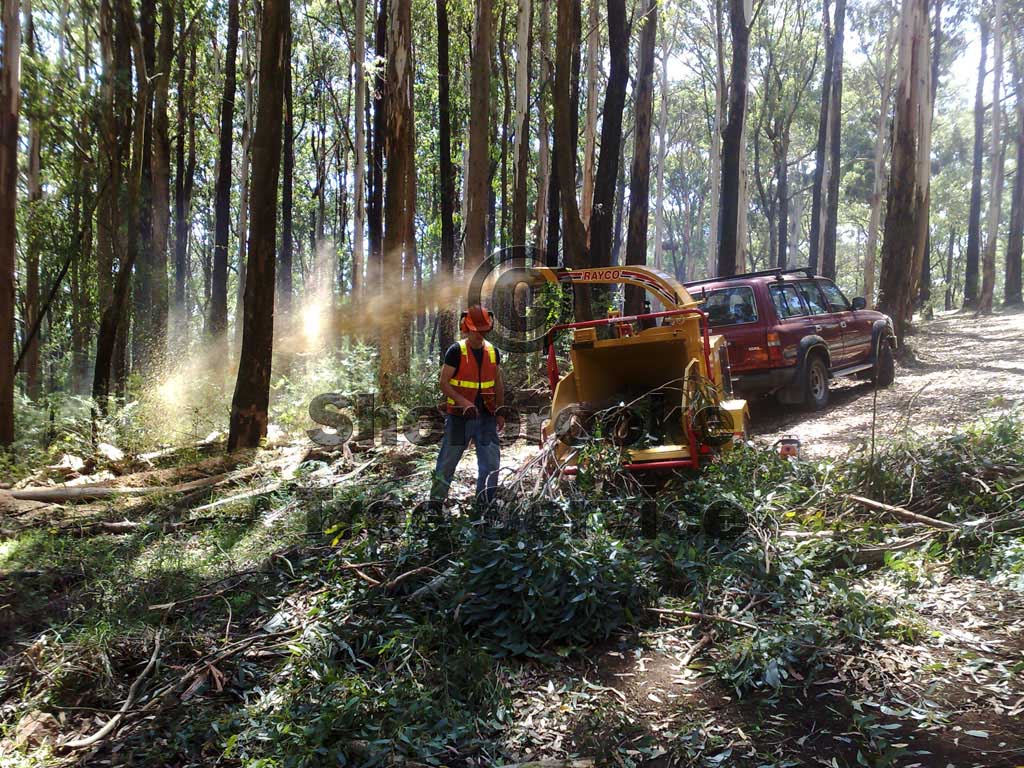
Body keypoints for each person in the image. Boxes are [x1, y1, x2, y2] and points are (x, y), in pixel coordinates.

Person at [429, 305, 506, 505]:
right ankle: (435, 506)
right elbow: (443, 383)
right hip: (459, 418)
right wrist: (462, 401)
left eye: (483, 330)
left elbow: (498, 383)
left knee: (490, 464)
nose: (479, 334)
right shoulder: (456, 351)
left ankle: (485, 506)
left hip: (487, 416)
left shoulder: (492, 352)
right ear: (467, 327)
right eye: (476, 330)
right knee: (447, 462)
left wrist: (500, 411)